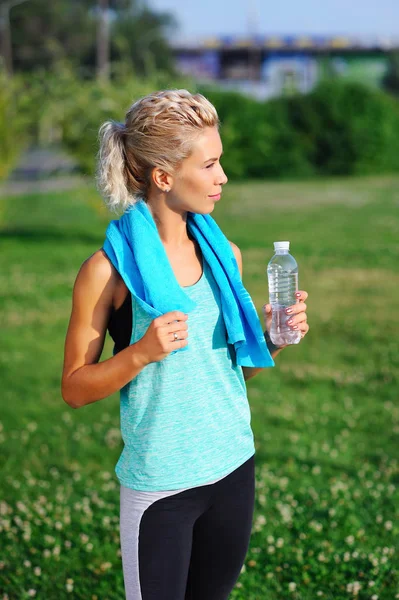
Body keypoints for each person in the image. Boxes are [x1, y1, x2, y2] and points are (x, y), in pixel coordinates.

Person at [61, 89, 309, 600]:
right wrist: (139, 353)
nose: (223, 177)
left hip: (233, 468)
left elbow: (226, 375)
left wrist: (274, 340)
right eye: (211, 164)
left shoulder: (227, 257)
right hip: (162, 488)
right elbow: (75, 389)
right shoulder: (106, 272)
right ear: (164, 177)